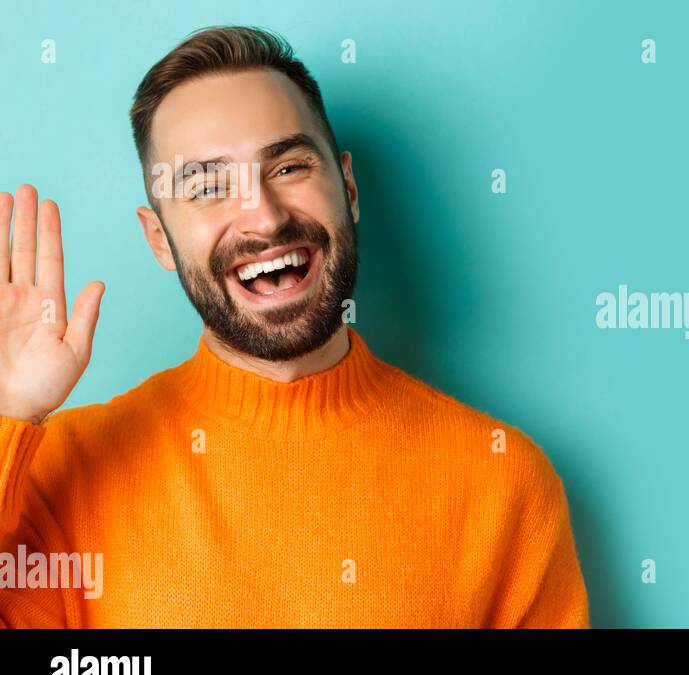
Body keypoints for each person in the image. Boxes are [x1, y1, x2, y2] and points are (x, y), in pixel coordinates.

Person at [0, 25, 589, 628]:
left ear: (348, 187)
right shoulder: (60, 477)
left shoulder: (504, 481)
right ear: (160, 240)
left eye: (287, 168)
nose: (264, 216)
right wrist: (6, 418)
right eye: (207, 187)